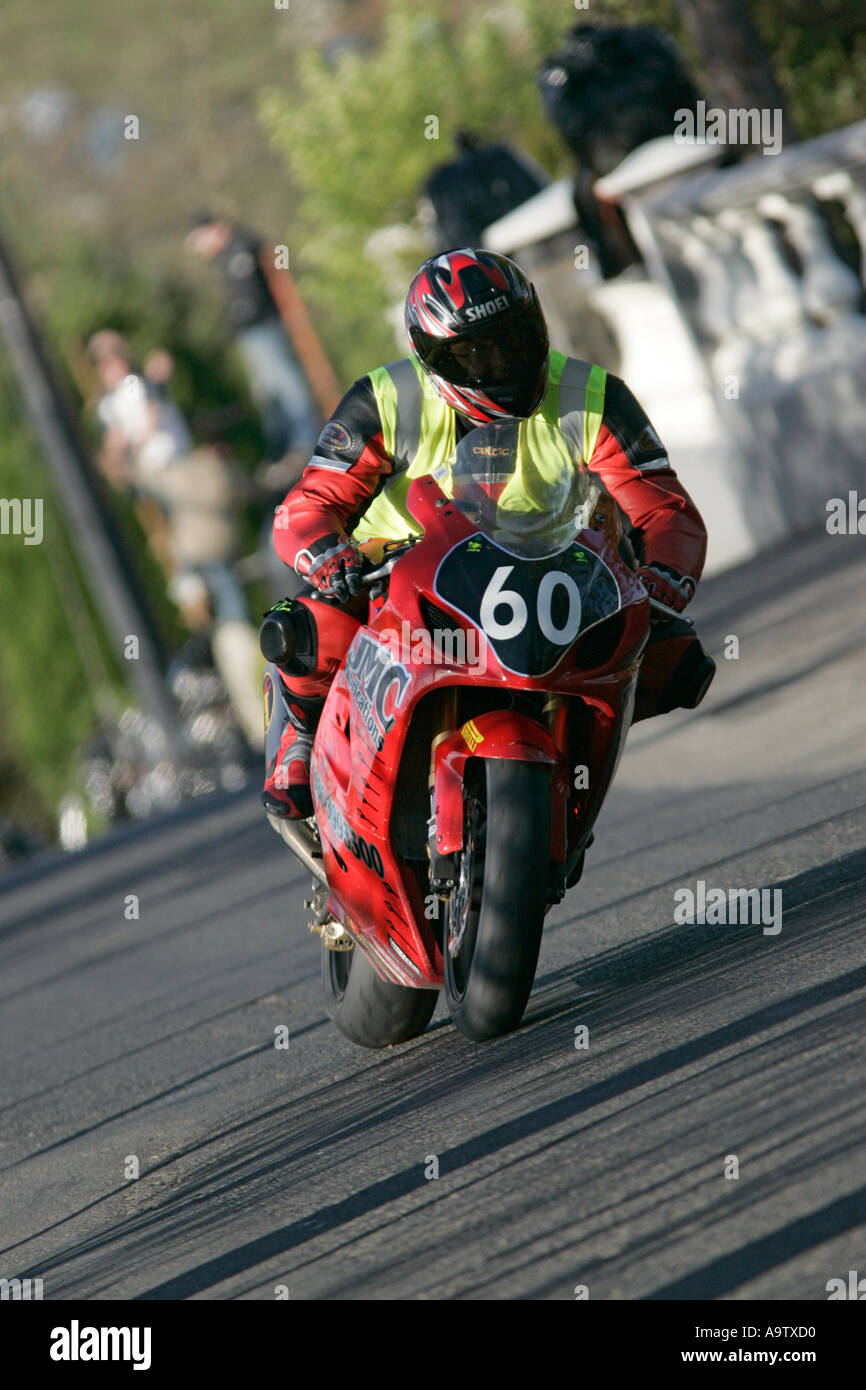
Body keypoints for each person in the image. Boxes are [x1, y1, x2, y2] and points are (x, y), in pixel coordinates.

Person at [260, 248, 712, 820]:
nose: (500, 362)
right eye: (474, 353)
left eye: (512, 340)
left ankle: (573, 776)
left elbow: (665, 509)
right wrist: (327, 554)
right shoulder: (385, 399)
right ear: (432, 358)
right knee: (305, 626)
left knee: (676, 652)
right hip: (403, 581)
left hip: (556, 581)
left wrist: (664, 577)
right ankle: (300, 737)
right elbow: (308, 504)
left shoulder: (594, 395)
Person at [185, 212, 320, 467]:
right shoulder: (226, 257)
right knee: (268, 394)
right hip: (250, 334)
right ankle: (282, 448)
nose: (201, 248)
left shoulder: (245, 244)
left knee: (287, 385)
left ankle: (304, 441)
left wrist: (287, 296)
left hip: (265, 326)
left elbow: (279, 257)